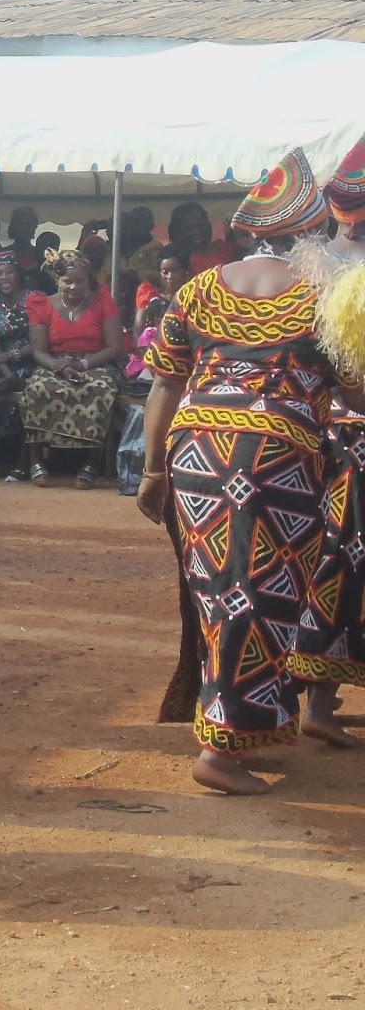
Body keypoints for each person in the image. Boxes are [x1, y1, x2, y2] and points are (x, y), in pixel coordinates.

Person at [137, 146, 363, 795]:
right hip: (274, 459)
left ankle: (231, 729)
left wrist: (154, 473)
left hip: (196, 453)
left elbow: (163, 388)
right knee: (261, 595)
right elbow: (355, 394)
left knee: (219, 594)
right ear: (309, 237)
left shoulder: (196, 291)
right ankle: (221, 751)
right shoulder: (326, 295)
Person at [288, 138, 365, 743]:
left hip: (322, 431)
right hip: (350, 432)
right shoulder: (341, 270)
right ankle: (316, 704)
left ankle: (319, 699)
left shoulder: (310, 266)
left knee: (335, 555)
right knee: (345, 556)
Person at [22, 250, 122, 488]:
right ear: (58, 280)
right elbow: (38, 351)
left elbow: (114, 347)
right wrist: (60, 367)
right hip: (55, 364)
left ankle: (91, 462)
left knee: (99, 389)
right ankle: (36, 460)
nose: (74, 287)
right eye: (68, 281)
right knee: (37, 388)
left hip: (94, 363)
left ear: (89, 280)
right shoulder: (42, 304)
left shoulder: (102, 302)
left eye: (80, 281)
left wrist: (83, 365)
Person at [0, 250, 35, 480]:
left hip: (33, 359)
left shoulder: (34, 300)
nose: (5, 278)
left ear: (18, 274)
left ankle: (23, 462)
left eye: (9, 272)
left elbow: (40, 344)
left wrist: (11, 357)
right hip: (1, 366)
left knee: (29, 397)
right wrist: (7, 374)